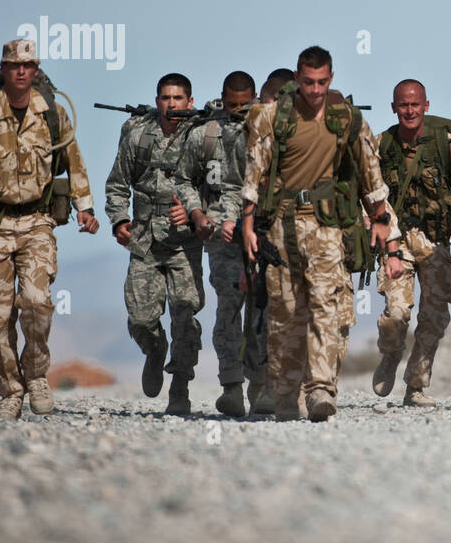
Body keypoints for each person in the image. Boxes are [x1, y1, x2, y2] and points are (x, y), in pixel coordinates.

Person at [239, 46, 404, 422]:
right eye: (308, 82)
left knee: (324, 307)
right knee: (284, 313)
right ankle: (284, 394)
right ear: (297, 79)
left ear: (330, 79)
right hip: (281, 224)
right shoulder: (272, 117)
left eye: (322, 82)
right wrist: (248, 227)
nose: (314, 90)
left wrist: (381, 220)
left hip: (325, 224)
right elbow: (253, 176)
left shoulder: (345, 118)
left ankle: (320, 389)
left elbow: (370, 174)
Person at [0, 39, 100, 421]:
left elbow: (75, 164)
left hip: (36, 222)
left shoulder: (53, 114)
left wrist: (85, 209)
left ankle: (37, 376)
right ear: (3, 68)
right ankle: (11, 390)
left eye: (28, 64)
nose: (21, 71)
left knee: (36, 302)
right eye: (14, 65)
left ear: (36, 69)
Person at [104, 73, 206, 416]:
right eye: (165, 98)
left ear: (189, 102)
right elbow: (118, 183)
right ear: (157, 100)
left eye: (178, 98)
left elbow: (221, 187)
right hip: (145, 239)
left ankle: (180, 386)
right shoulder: (138, 135)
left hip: (184, 243)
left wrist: (196, 212)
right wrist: (119, 219)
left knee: (185, 312)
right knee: (140, 318)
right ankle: (154, 348)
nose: (172, 104)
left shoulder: (203, 137)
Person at [174, 71, 270, 418]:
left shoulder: (267, 130)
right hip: (221, 234)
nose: (238, 113)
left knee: (264, 306)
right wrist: (198, 215)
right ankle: (231, 385)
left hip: (262, 230)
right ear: (222, 98)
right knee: (229, 305)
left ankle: (262, 384)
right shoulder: (205, 134)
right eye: (232, 105)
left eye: (246, 106)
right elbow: (183, 179)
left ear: (256, 98)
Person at [372, 79, 451, 407]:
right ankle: (390, 354)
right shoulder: (381, 145)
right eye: (403, 105)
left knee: (435, 316)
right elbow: (367, 193)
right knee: (396, 313)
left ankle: (416, 385)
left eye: (415, 104)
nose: (409, 111)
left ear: (426, 106)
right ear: (393, 107)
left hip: (435, 240)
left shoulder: (446, 143)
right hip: (396, 241)